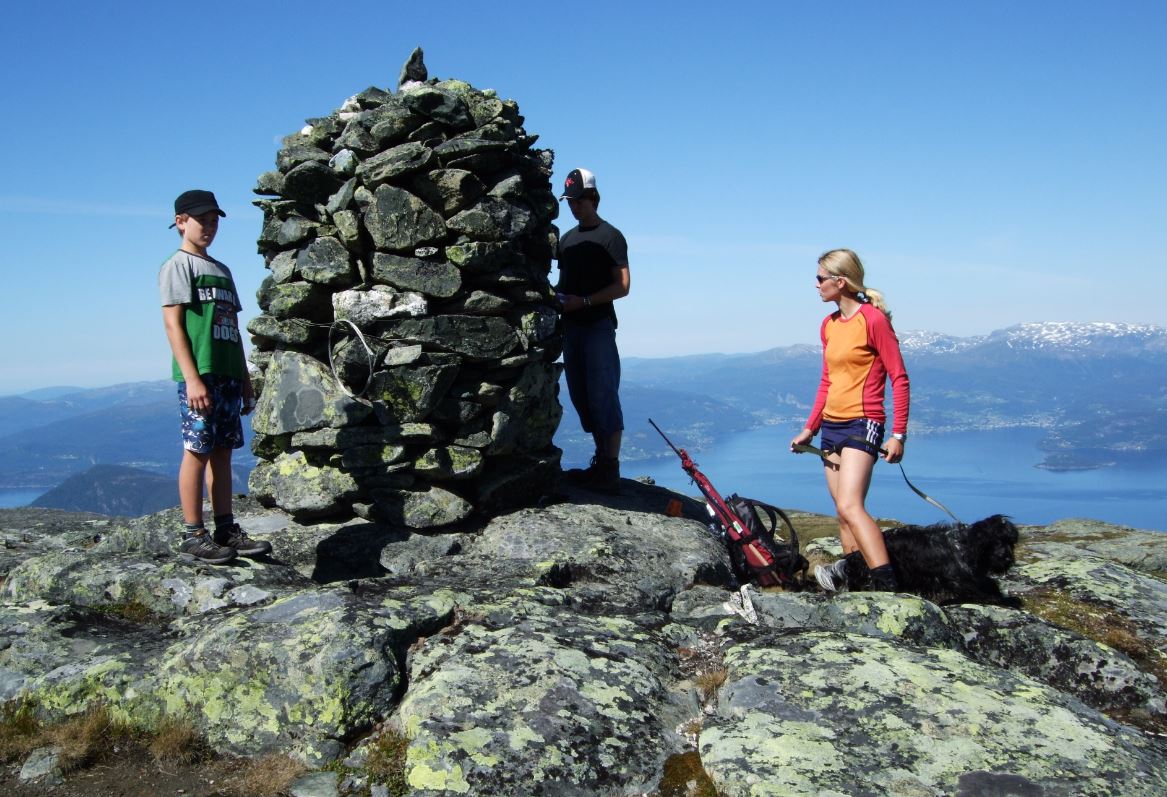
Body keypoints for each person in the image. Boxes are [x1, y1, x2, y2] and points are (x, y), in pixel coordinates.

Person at [159, 189, 270, 563]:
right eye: (200, 220)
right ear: (181, 222)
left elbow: (233, 328)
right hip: (201, 374)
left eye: (213, 220)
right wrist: (192, 379)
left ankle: (226, 528)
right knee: (197, 451)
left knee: (222, 452)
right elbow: (173, 326)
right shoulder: (178, 266)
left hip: (226, 373)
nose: (208, 227)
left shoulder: (222, 271)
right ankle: (194, 533)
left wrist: (245, 377)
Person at [789, 249, 910, 592]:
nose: (815, 285)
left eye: (820, 278)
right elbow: (827, 381)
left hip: (863, 422)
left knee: (850, 504)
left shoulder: (873, 320)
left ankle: (888, 585)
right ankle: (858, 584)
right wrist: (810, 428)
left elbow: (899, 378)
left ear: (840, 282)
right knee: (842, 513)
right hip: (832, 427)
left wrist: (898, 434)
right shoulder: (828, 326)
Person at [555, 168, 631, 492]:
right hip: (571, 327)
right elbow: (564, 282)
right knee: (581, 396)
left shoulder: (611, 237)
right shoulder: (567, 241)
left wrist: (584, 302)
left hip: (598, 326)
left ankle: (609, 471)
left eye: (578, 200)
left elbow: (623, 286)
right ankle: (601, 463)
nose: (573, 207)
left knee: (603, 394)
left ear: (593, 198)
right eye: (570, 201)